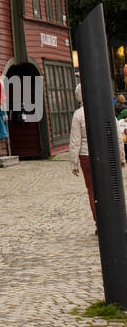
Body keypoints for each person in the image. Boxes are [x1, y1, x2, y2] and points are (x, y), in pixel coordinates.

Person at [70, 88, 126, 228]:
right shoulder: (106, 111)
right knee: (110, 186)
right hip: (107, 154)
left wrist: (74, 162)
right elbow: (117, 137)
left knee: (92, 190)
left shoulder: (78, 115)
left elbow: (75, 140)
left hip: (86, 155)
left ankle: (99, 223)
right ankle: (114, 218)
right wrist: (121, 156)